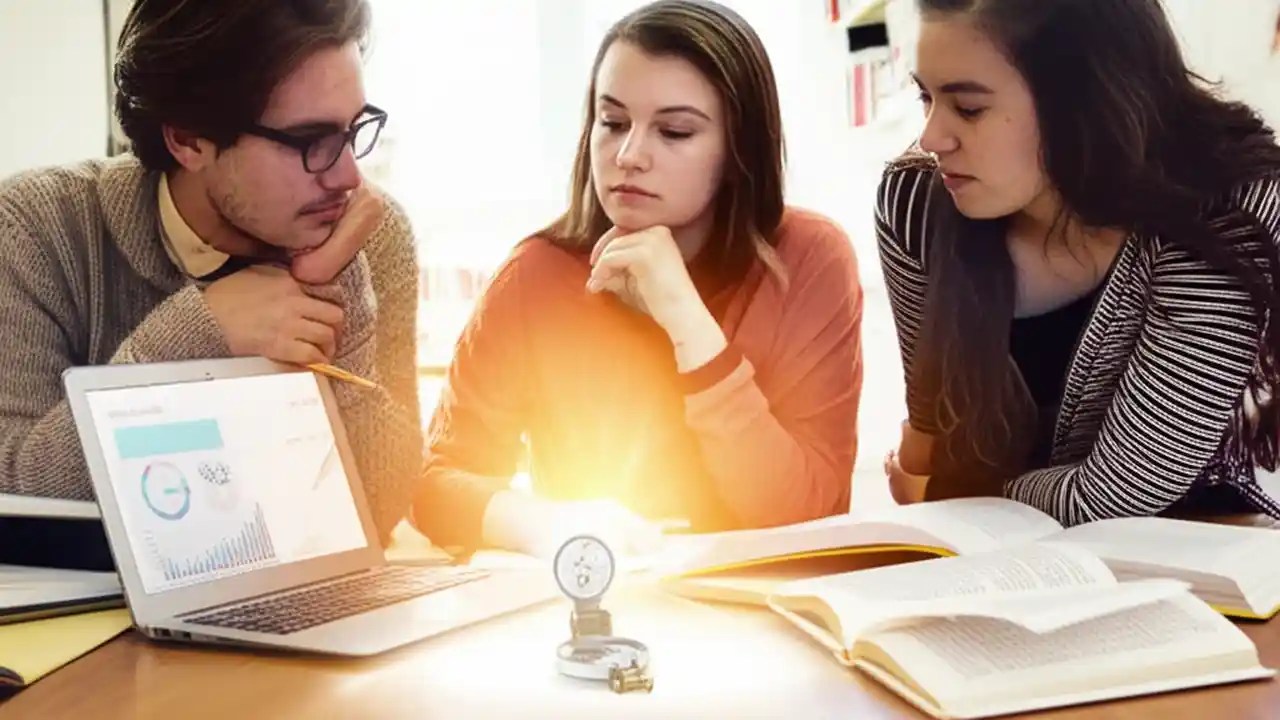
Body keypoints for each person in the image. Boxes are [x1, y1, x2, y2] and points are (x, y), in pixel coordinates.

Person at [412, 0, 864, 558]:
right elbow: (437, 484)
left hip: (772, 609)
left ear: (738, 150)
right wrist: (550, 525)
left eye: (674, 132)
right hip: (601, 607)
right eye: (614, 122)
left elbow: (807, 517)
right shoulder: (535, 274)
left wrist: (685, 320)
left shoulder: (811, 258)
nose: (628, 155)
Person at [0, 0, 422, 567]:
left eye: (353, 130)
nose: (348, 175)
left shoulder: (368, 234)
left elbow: (382, 510)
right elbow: (16, 504)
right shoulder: (35, 229)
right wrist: (193, 337)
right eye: (309, 141)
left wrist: (334, 299)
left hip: (293, 618)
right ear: (188, 139)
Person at [878, 0, 1280, 525]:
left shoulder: (1219, 212)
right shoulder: (915, 203)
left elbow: (1117, 494)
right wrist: (932, 494)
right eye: (925, 97)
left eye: (968, 108)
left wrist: (948, 495)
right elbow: (932, 426)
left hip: (1193, 558)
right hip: (996, 562)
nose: (932, 138)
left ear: (1083, 98)